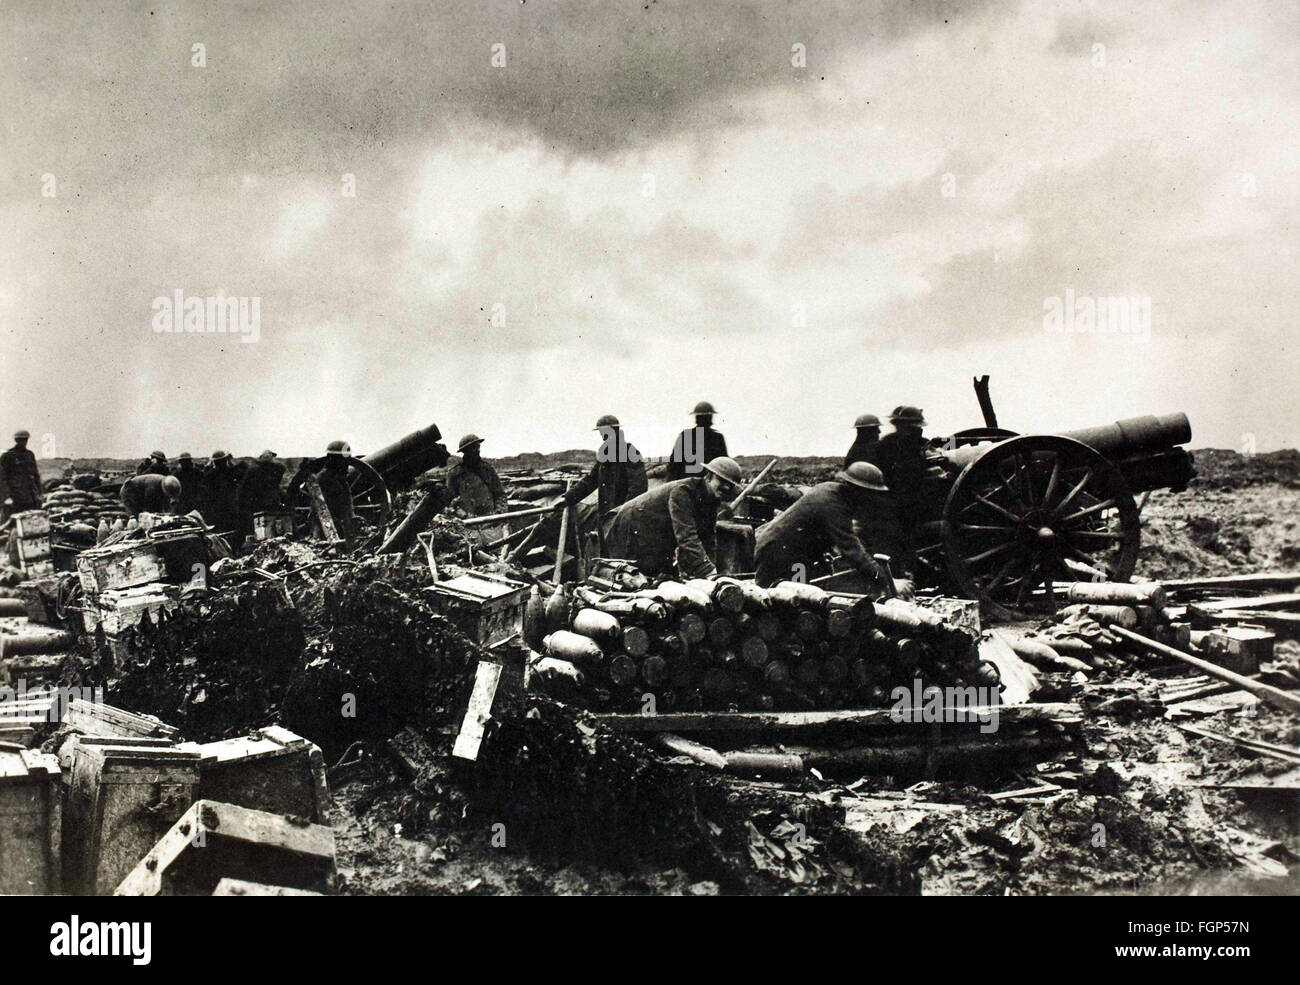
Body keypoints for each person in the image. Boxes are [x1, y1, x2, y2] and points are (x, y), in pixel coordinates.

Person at [753, 462, 903, 594]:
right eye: (871, 494)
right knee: (791, 601)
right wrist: (886, 580)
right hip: (781, 555)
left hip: (786, 552)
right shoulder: (834, 505)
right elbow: (852, 550)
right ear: (860, 491)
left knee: (794, 599)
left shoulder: (830, 490)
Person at [603, 456, 742, 579]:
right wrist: (708, 571)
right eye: (721, 480)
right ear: (709, 476)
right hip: (630, 526)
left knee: (666, 577)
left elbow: (708, 539)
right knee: (637, 578)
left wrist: (711, 571)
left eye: (730, 485)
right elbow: (686, 536)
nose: (726, 487)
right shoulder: (683, 491)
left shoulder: (711, 501)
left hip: (655, 533)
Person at [561, 414, 648, 520]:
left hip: (625, 517)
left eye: (605, 433)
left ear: (615, 431)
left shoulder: (630, 452)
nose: (603, 437)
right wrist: (568, 498)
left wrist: (622, 513)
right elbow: (590, 481)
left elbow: (638, 488)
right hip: (606, 516)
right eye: (601, 433)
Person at [665, 400, 729, 482]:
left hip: (688, 486)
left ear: (696, 418)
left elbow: (673, 467)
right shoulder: (717, 438)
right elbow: (725, 467)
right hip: (709, 486)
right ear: (711, 418)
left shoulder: (686, 436)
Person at [447, 434, 508, 517]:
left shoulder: (488, 469)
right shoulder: (455, 473)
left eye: (478, 447)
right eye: (473, 448)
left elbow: (500, 495)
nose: (477, 450)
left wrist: (499, 513)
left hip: (491, 521)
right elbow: (449, 502)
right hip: (467, 523)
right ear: (465, 451)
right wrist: (460, 513)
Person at [237, 449, 285, 538]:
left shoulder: (253, 470)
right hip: (265, 503)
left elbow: (244, 489)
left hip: (257, 504)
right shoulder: (275, 470)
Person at [315, 440, 356, 539]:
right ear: (332, 459)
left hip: (341, 525)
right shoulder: (324, 478)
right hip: (330, 528)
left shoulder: (339, 478)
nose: (347, 462)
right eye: (344, 459)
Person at [199, 450, 242, 540]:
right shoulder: (230, 472)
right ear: (225, 460)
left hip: (215, 510)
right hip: (230, 508)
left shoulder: (209, 475)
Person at [1, 429, 43, 520]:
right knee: (11, 523)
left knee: (31, 522)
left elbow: (36, 475)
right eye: (20, 440)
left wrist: (40, 493)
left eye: (25, 439)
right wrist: (6, 497)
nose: (23, 442)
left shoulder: (29, 455)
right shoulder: (8, 456)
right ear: (16, 440)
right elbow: (2, 478)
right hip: (14, 497)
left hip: (30, 496)